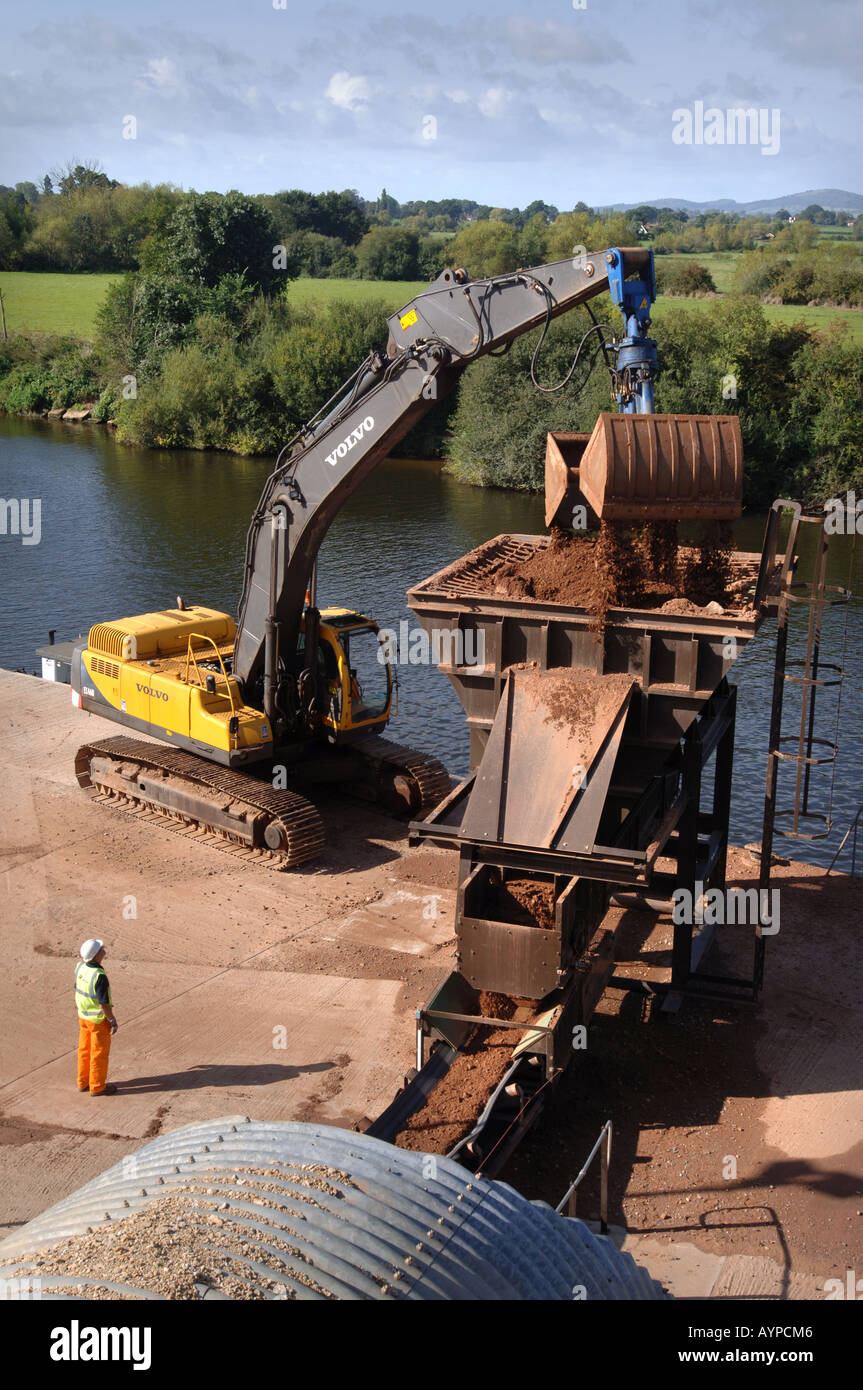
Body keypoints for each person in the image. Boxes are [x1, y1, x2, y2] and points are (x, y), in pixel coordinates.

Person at [75, 939, 118, 1096]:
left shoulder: (80, 967)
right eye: (101, 949)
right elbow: (104, 1004)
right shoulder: (99, 976)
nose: (104, 950)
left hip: (83, 1017)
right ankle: (97, 1086)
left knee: (84, 1051)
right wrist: (112, 1020)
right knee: (98, 1054)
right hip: (98, 1021)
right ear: (95, 955)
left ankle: (83, 1082)